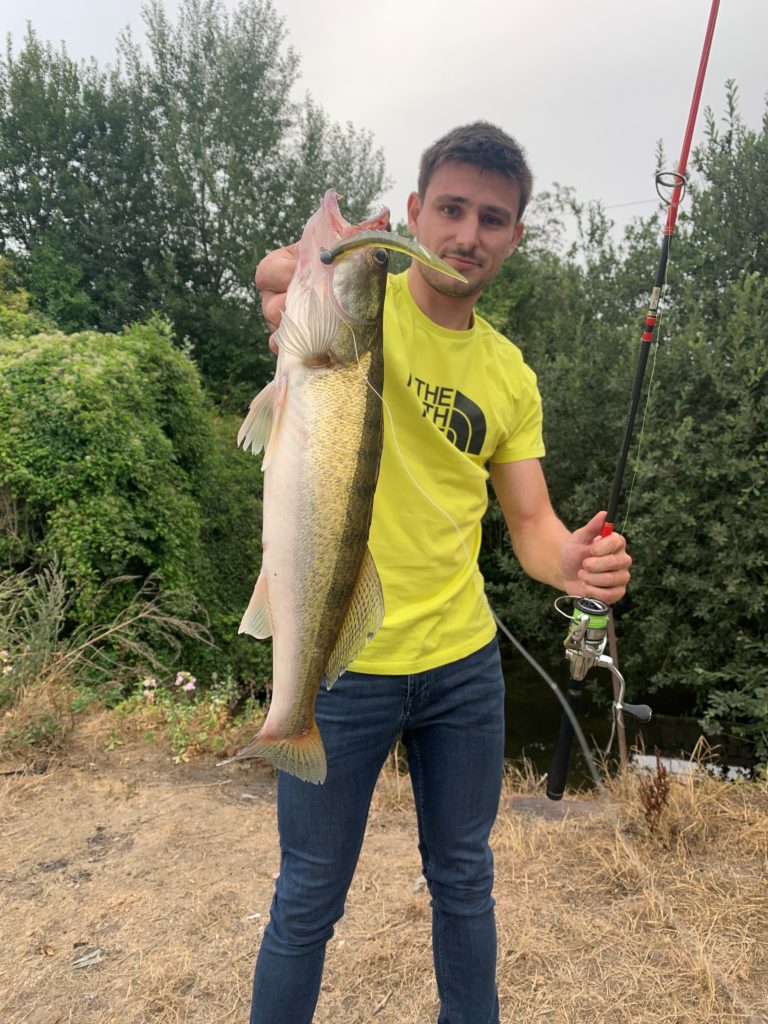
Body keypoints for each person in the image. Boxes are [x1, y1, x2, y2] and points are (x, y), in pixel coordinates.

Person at [248, 122, 632, 1024]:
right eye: (450, 209)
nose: (467, 234)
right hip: (343, 668)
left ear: (517, 235)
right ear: (416, 212)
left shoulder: (509, 374)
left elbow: (533, 526)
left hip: (462, 670)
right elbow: (280, 275)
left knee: (465, 883)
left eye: (492, 219)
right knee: (308, 899)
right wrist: (301, 271)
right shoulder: (356, 305)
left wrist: (572, 559)